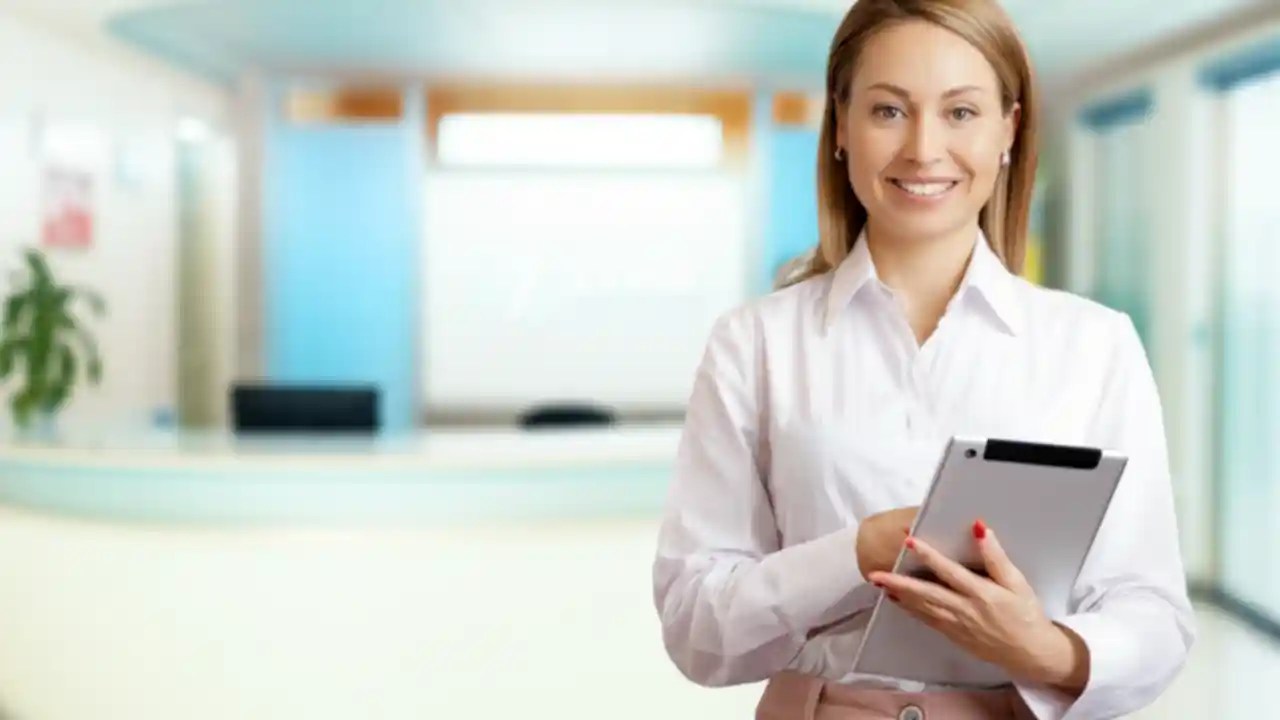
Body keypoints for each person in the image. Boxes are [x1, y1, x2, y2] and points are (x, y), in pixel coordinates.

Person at [651, 0, 1196, 718]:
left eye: (961, 112)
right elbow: (696, 629)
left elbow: (1153, 613)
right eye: (888, 111)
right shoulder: (755, 344)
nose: (923, 149)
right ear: (841, 128)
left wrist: (1044, 649)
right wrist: (856, 552)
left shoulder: (1094, 347)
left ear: (1010, 129)